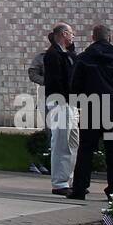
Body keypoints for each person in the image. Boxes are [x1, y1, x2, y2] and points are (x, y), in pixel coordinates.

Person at [68, 24, 113, 201]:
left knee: (86, 150)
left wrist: (78, 103)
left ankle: (79, 189)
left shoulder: (84, 58)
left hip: (92, 108)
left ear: (93, 38)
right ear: (110, 37)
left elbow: (74, 85)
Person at [43, 23, 78, 196]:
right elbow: (59, 81)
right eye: (71, 33)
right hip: (60, 103)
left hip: (69, 103)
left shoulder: (66, 54)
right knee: (61, 143)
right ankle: (59, 182)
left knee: (72, 142)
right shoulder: (53, 55)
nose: (73, 36)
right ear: (64, 34)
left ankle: (68, 179)